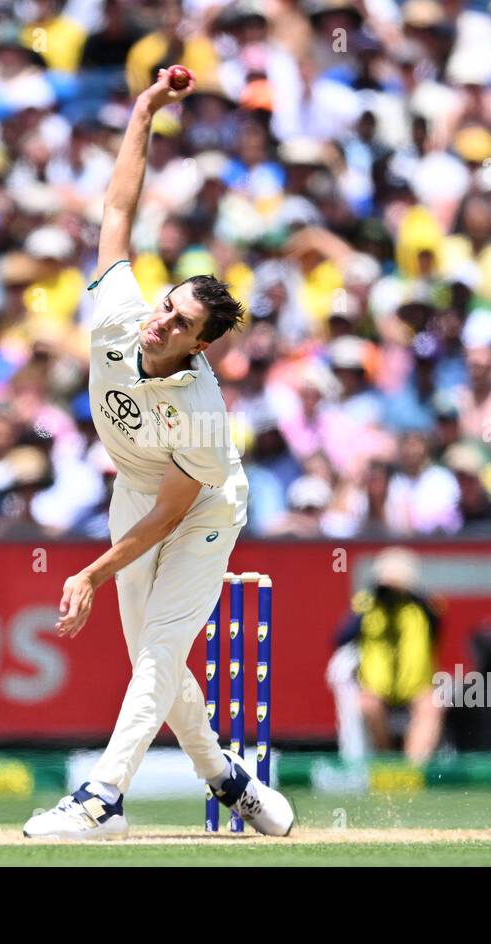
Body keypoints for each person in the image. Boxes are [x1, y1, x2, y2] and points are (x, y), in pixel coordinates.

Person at [24, 70, 292, 841]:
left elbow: (179, 509)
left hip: (203, 510)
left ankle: (101, 798)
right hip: (135, 492)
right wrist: (143, 109)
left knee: (158, 654)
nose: (160, 323)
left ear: (201, 347)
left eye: (178, 325)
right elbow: (117, 206)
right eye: (166, 305)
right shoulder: (119, 312)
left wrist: (90, 569)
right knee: (154, 657)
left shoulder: (202, 414)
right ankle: (224, 775)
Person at [325, 548, 444, 765]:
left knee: (432, 705)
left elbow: (437, 621)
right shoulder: (367, 606)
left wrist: (410, 593)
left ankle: (412, 769)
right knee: (367, 705)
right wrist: (371, 600)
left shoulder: (420, 608)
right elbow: (340, 638)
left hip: (415, 686)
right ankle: (387, 761)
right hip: (377, 687)